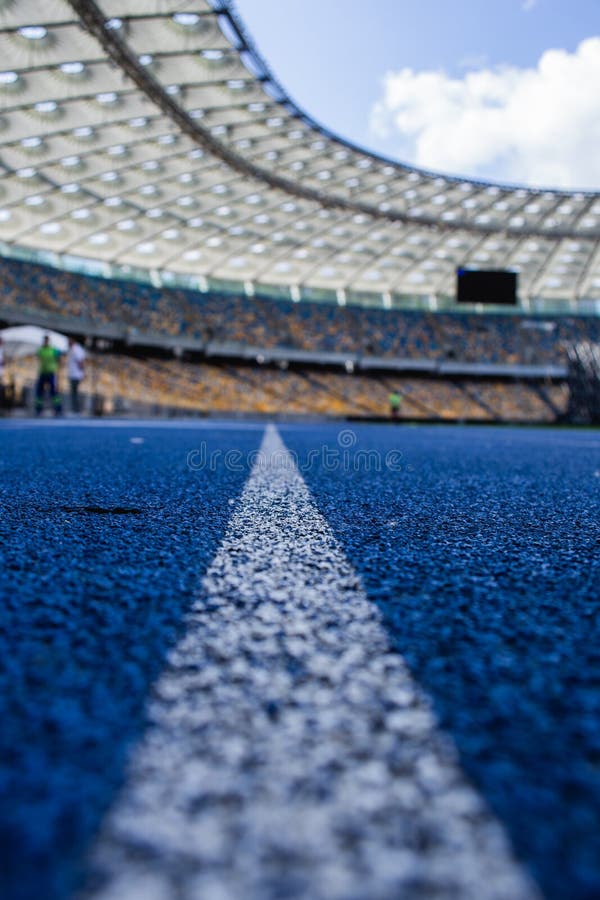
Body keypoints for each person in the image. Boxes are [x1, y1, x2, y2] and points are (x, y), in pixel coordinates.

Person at [35, 335, 63, 416]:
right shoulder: (40, 350)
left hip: (51, 373)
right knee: (39, 392)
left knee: (54, 392)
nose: (45, 342)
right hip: (43, 373)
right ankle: (38, 410)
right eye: (44, 340)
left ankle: (58, 409)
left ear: (49, 341)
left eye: (46, 341)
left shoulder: (53, 350)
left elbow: (60, 358)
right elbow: (38, 358)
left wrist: (58, 369)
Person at [67, 337, 86, 413]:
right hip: (73, 374)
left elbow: (80, 362)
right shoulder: (73, 349)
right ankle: (75, 408)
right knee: (74, 392)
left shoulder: (76, 349)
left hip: (76, 374)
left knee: (74, 392)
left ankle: (76, 409)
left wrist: (82, 373)